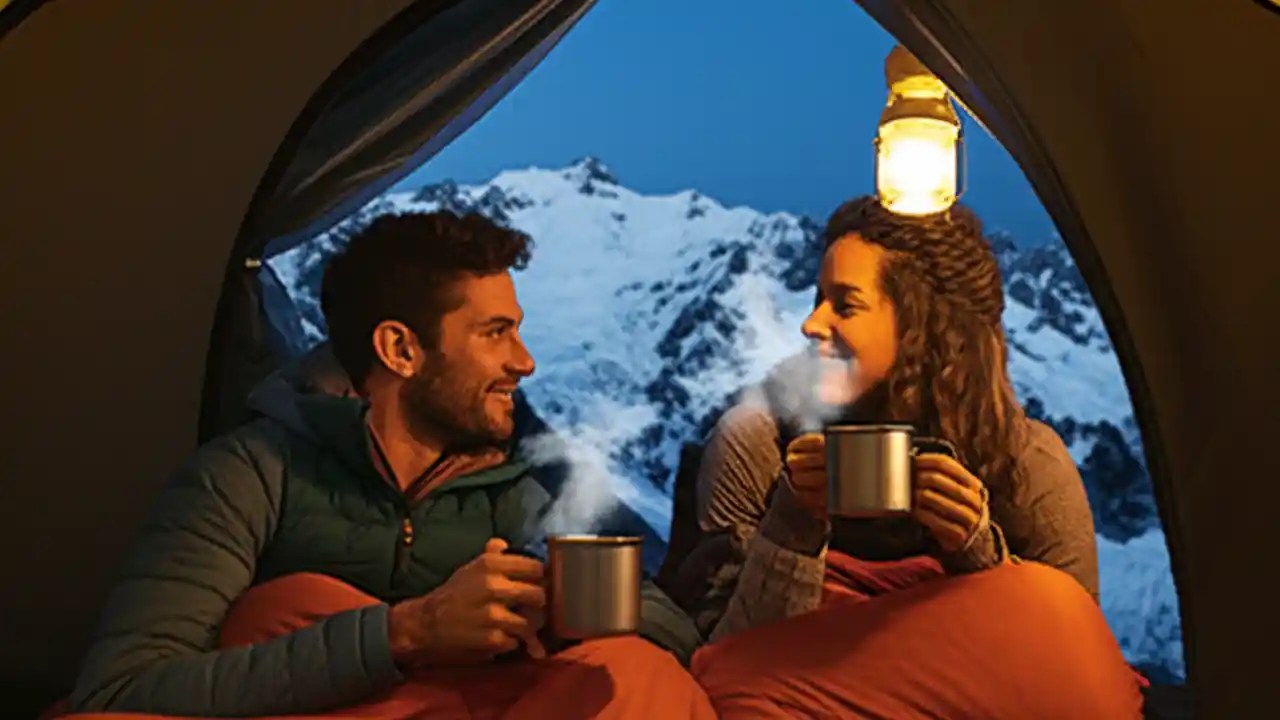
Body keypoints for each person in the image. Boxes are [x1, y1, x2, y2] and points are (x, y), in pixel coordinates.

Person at [65, 211, 711, 719]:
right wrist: (406, 633)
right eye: (496, 333)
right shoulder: (253, 476)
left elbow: (673, 635)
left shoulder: (525, 489)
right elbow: (122, 688)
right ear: (400, 349)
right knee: (291, 604)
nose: (524, 362)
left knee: (637, 672)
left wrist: (552, 607)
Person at [670, 198, 1141, 718]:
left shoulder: (1027, 463)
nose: (811, 324)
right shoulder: (757, 441)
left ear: (924, 324)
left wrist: (979, 556)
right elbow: (720, 667)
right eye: (817, 300)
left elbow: (1073, 666)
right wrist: (792, 528)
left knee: (1045, 597)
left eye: (844, 305)